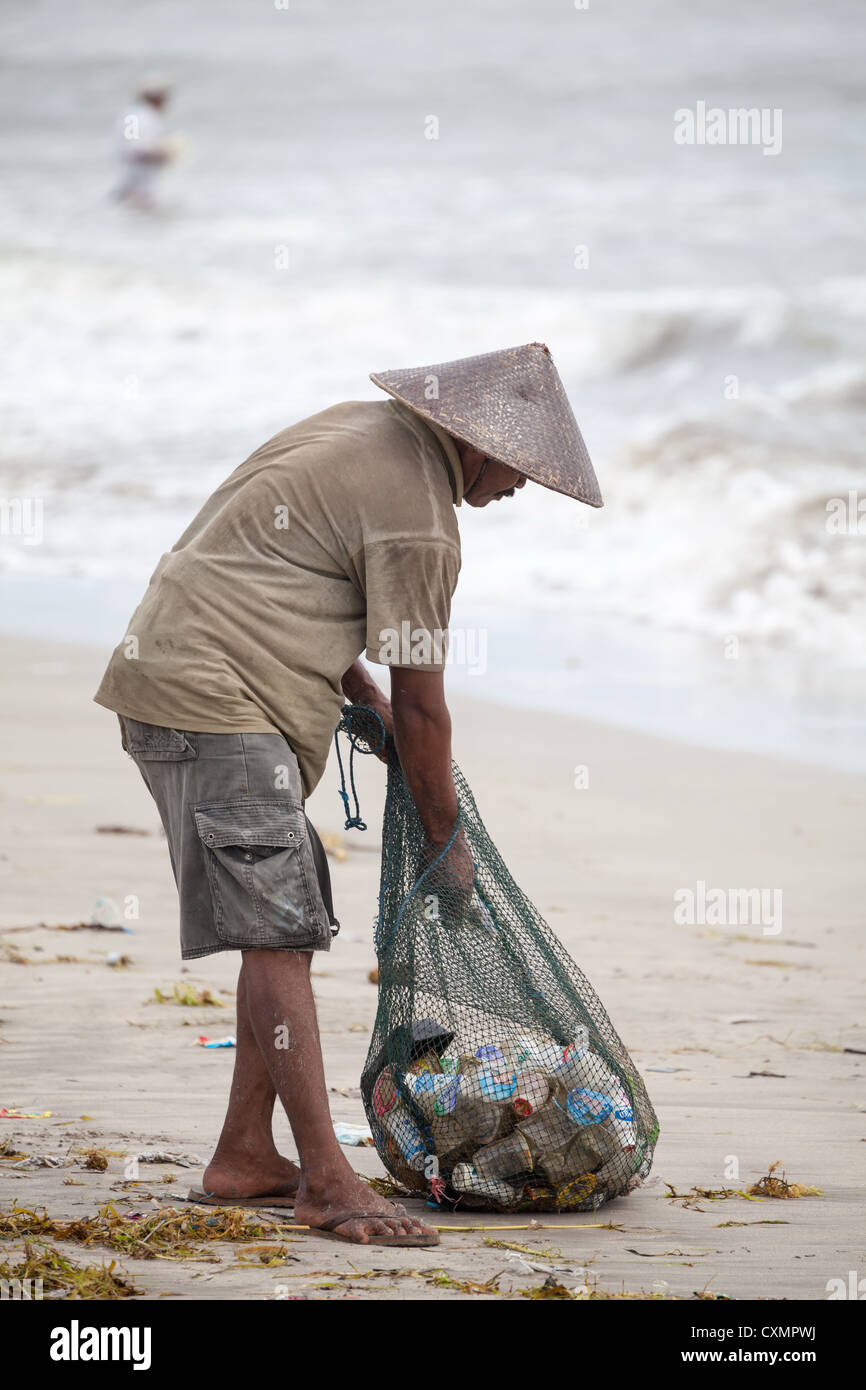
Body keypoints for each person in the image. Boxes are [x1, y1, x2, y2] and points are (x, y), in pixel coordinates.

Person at [93, 342, 602, 1246]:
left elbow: (290, 570)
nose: (524, 486)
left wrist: (352, 694)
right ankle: (326, 1181)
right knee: (280, 929)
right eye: (520, 468)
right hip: (215, 700)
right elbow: (424, 710)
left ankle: (246, 1152)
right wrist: (448, 849)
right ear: (474, 443)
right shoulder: (423, 520)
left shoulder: (362, 429)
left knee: (284, 918)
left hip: (178, 672)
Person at [115, 74, 177, 210]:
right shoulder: (134, 118)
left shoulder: (148, 117)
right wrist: (162, 154)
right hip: (137, 179)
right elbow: (132, 150)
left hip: (146, 179)